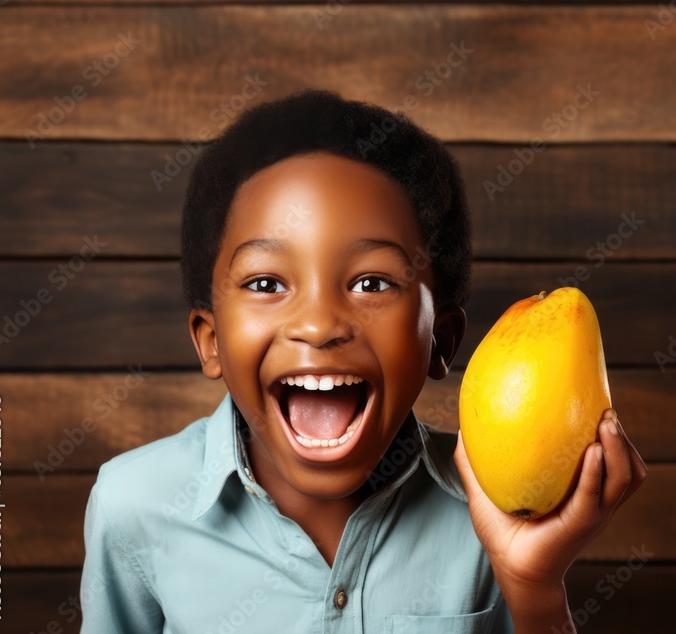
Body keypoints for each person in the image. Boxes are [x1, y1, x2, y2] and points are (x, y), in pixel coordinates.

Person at [80, 89, 647, 633]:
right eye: (266, 281)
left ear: (440, 341)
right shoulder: (134, 506)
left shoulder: (496, 516)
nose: (320, 325)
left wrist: (533, 584)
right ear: (210, 341)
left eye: (372, 282)